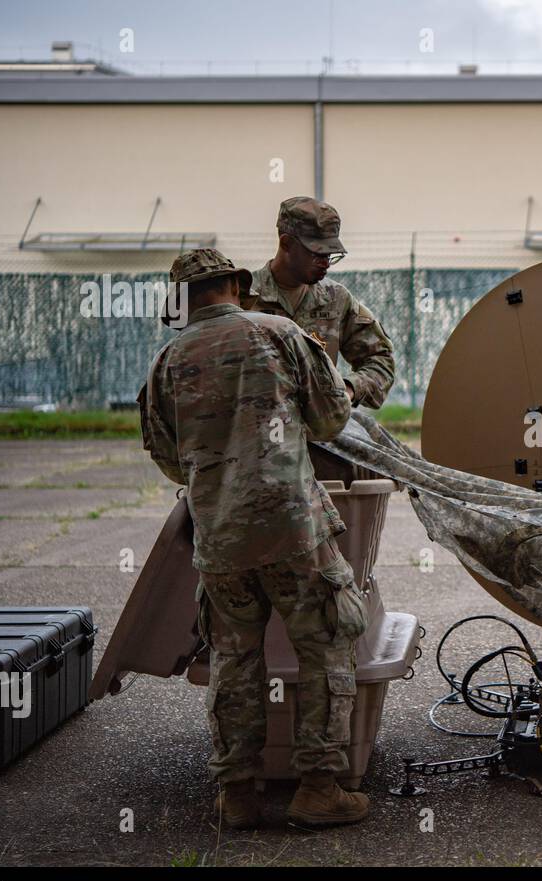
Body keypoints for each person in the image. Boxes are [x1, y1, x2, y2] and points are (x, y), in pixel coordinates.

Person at [141, 248, 372, 828]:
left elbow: (170, 461)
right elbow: (328, 420)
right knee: (326, 642)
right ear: (235, 285)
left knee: (233, 657)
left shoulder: (165, 361)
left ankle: (237, 795)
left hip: (218, 537)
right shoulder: (280, 332)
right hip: (294, 529)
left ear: (182, 301)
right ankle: (318, 787)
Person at [242, 196, 396, 409]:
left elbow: (380, 359)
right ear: (286, 243)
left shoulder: (335, 300)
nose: (326, 263)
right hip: (257, 431)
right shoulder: (243, 299)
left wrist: (349, 389)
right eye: (317, 254)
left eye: (331, 254)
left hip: (318, 434)